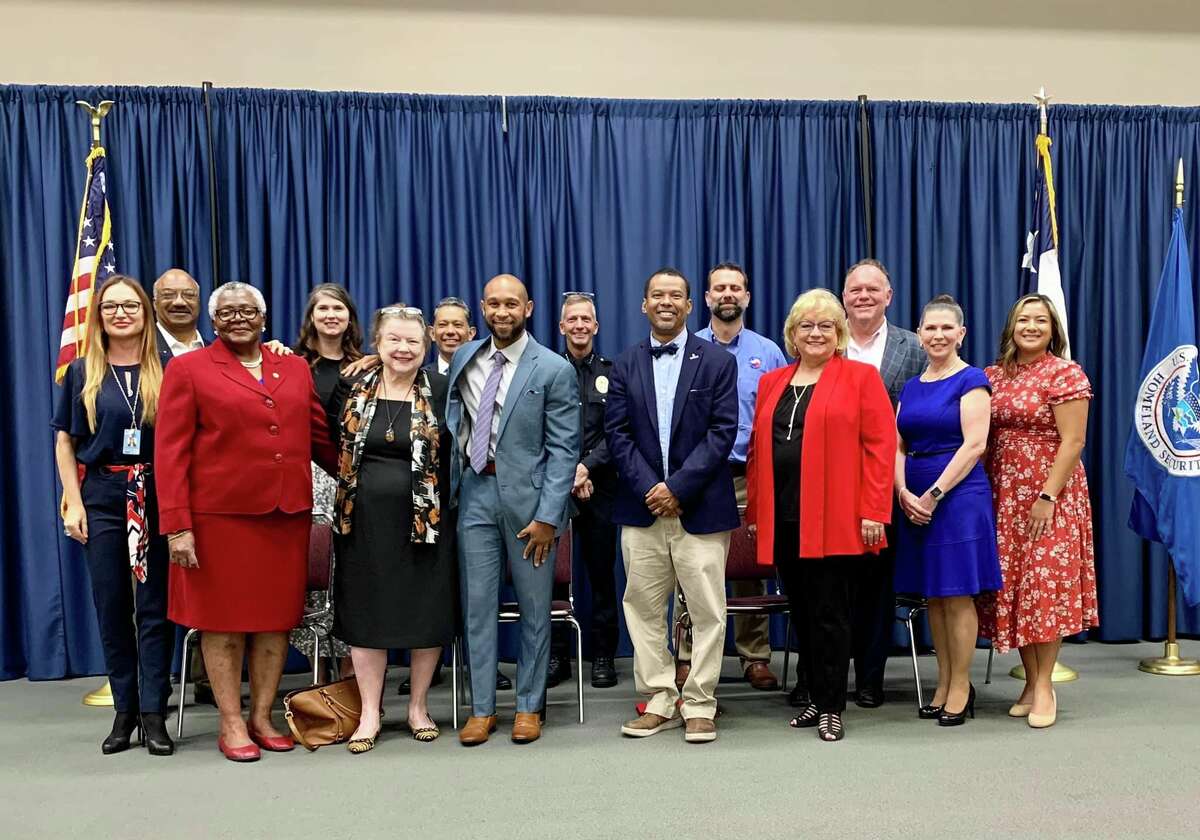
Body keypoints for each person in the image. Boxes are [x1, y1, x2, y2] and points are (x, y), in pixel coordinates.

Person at [155, 281, 337, 762]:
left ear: (263, 317)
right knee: (224, 624)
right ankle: (231, 720)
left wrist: (372, 479)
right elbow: (169, 454)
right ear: (214, 322)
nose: (238, 318)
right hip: (218, 521)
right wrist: (177, 525)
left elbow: (320, 438)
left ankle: (262, 715)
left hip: (284, 520)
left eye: (247, 310)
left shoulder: (294, 368)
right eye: (227, 312)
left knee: (275, 622)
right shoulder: (188, 369)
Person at [744, 289, 895, 742]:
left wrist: (874, 510)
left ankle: (832, 705)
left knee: (831, 613)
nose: (815, 333)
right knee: (803, 612)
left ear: (839, 333)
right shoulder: (773, 382)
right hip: (785, 517)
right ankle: (812, 695)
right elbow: (757, 451)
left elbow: (880, 448)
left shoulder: (860, 378)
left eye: (825, 325)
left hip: (836, 519)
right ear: (792, 335)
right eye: (806, 326)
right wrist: (756, 511)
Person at [608, 268, 739, 744]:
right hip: (641, 509)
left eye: (676, 296)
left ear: (689, 306)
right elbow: (617, 435)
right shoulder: (623, 364)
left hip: (700, 509)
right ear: (644, 305)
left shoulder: (719, 362)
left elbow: (723, 433)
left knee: (707, 610)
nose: (666, 302)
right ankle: (660, 698)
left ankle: (701, 702)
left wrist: (678, 488)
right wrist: (653, 488)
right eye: (657, 295)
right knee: (642, 609)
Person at [447, 275, 579, 746]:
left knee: (534, 609)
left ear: (529, 308)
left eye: (512, 304)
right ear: (483, 307)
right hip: (476, 496)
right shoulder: (465, 357)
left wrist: (549, 516)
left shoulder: (553, 368)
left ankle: (528, 706)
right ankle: (482, 709)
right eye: (494, 304)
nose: (502, 312)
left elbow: (565, 451)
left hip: (531, 509)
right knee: (477, 608)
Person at [326, 305, 457, 753]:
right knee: (367, 617)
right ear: (377, 344)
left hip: (426, 526)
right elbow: (327, 442)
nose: (403, 349)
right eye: (394, 340)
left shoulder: (441, 389)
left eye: (412, 342)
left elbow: (455, 455)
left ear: (427, 346)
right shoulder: (351, 385)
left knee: (424, 613)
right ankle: (368, 712)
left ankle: (419, 707)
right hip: (361, 526)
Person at [54, 275, 174, 756]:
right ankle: (124, 712)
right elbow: (65, 441)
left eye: (130, 305)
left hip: (156, 493)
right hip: (102, 493)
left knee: (153, 608)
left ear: (145, 312)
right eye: (111, 307)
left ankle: (154, 713)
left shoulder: (168, 368)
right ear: (98, 316)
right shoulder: (82, 371)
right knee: (111, 605)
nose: (121, 313)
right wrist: (73, 500)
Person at [978, 294, 1097, 729]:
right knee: (1018, 590)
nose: (1030, 326)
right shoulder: (993, 375)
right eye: (1023, 319)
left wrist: (1047, 497)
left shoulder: (1064, 373)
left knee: (1046, 588)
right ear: (1011, 326)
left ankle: (1045, 686)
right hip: (1002, 493)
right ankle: (1030, 682)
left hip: (1051, 494)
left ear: (1052, 329)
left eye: (1040, 320)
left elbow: (1073, 442)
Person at [894, 295, 1002, 726]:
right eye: (930, 328)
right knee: (933, 596)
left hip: (957, 497)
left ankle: (962, 684)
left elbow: (975, 444)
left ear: (961, 334)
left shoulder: (972, 380)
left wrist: (933, 494)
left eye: (946, 328)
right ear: (919, 335)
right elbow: (899, 443)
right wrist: (902, 490)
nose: (937, 335)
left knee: (956, 595)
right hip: (914, 496)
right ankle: (942, 681)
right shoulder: (911, 386)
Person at [687, 261, 787, 692]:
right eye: (719, 288)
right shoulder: (687, 350)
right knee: (691, 567)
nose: (727, 294)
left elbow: (783, 414)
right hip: (698, 477)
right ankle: (688, 656)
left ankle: (754, 657)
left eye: (735, 288)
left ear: (746, 297)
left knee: (751, 569)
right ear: (707, 298)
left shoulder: (768, 352)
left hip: (749, 473)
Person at [840, 259, 925, 708]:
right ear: (844, 297)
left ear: (889, 297)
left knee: (875, 585)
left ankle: (870, 677)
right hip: (831, 481)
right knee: (830, 584)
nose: (864, 296)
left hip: (888, 480)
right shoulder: (822, 342)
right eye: (855, 290)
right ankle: (824, 675)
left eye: (873, 289)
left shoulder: (913, 348)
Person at [288, 283, 365, 680]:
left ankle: (354, 675)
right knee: (313, 572)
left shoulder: (368, 366)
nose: (331, 315)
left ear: (350, 316)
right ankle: (319, 672)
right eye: (323, 309)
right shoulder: (291, 363)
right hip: (309, 479)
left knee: (352, 572)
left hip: (354, 479)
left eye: (339, 308)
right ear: (311, 317)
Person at [552, 292, 619, 689]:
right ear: (562, 327)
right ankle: (557, 654)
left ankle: (604, 655)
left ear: (595, 326)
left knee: (601, 574)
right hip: (554, 489)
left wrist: (586, 467)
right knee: (553, 578)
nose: (579, 325)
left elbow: (619, 432)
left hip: (600, 487)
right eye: (572, 319)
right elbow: (537, 431)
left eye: (586, 319)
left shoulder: (614, 372)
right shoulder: (545, 370)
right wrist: (568, 473)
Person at [429, 296, 478, 375]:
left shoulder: (484, 375)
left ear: (471, 333)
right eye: (443, 325)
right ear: (432, 333)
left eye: (457, 325)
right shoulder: (420, 378)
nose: (450, 331)